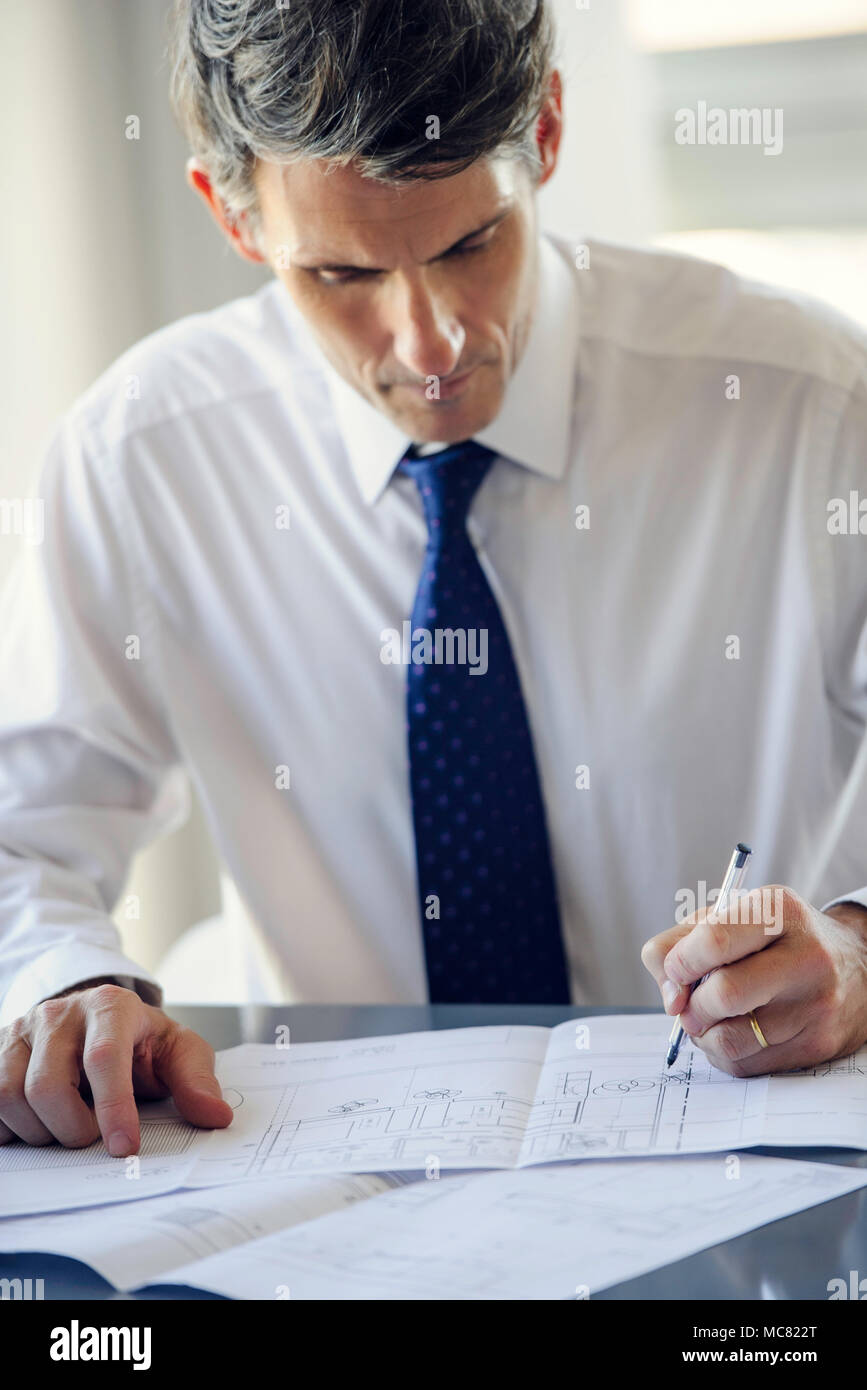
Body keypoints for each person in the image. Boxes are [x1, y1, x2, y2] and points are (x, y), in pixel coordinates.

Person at [0, 0, 865, 1157]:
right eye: (342, 272)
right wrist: (74, 982)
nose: (431, 343)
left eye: (470, 243)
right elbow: (27, 830)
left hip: (757, 1171)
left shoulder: (807, 407)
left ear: (547, 131)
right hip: (326, 1198)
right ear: (232, 217)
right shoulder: (142, 456)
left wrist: (856, 955)